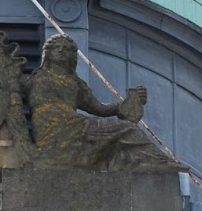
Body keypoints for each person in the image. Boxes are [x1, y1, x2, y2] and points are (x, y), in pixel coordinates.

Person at [25, 34, 180, 170]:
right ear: (48, 52)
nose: (60, 50)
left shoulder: (76, 83)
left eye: (65, 48)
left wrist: (129, 104)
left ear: (72, 55)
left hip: (77, 124)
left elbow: (99, 108)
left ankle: (154, 162)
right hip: (50, 127)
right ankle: (155, 162)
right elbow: (8, 90)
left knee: (128, 128)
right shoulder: (35, 78)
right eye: (56, 47)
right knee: (127, 129)